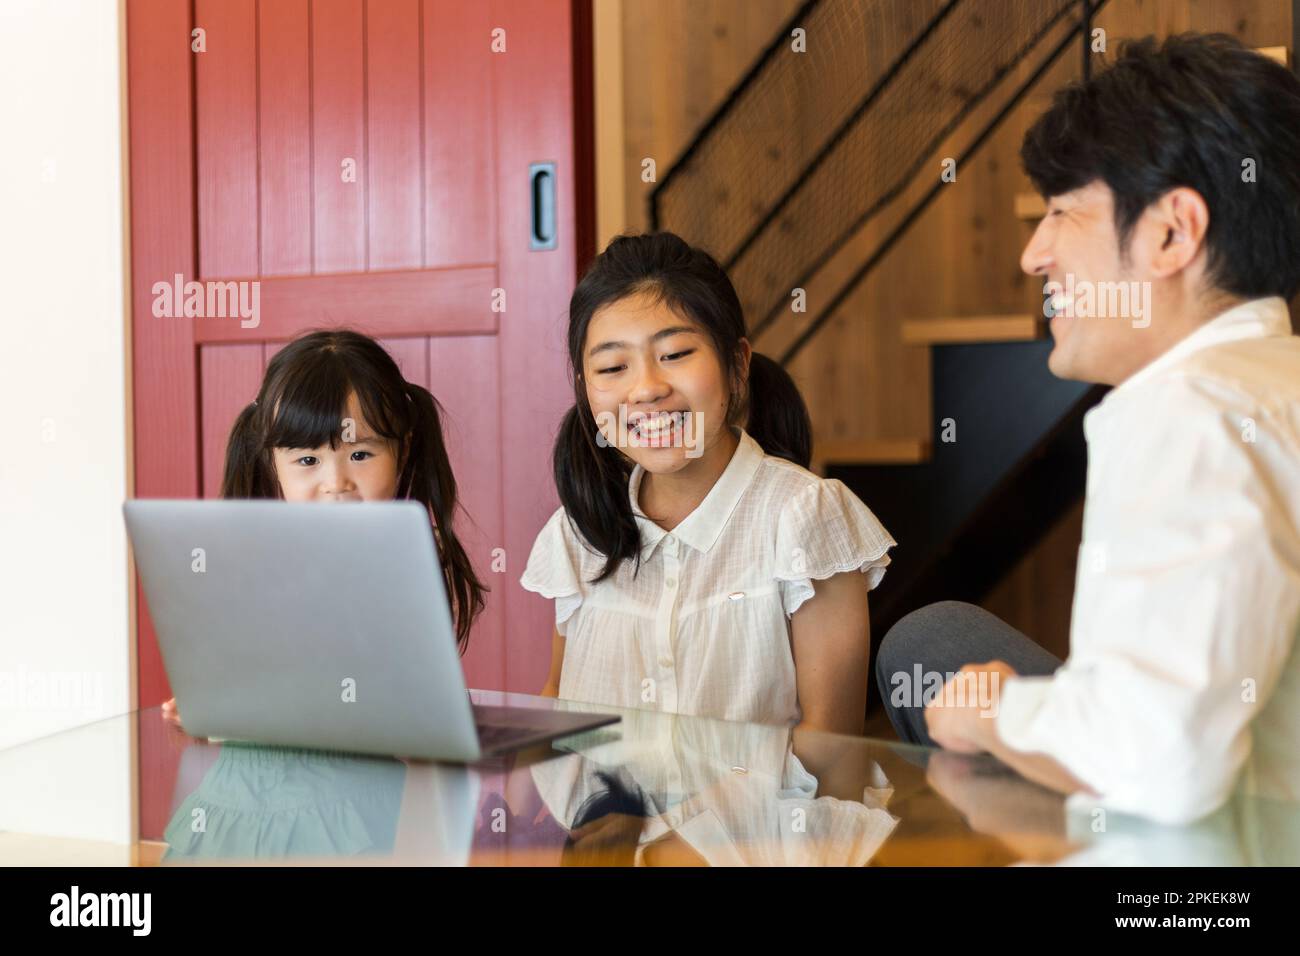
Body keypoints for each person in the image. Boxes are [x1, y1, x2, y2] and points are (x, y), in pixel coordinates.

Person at [877, 34, 1300, 825]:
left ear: (1171, 234)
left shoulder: (1184, 410)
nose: (1033, 254)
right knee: (935, 640)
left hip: (1230, 866)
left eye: (1063, 213)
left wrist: (998, 711)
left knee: (934, 661)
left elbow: (1165, 761)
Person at [521, 232, 896, 734]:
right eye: (612, 366)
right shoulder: (577, 532)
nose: (647, 388)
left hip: (768, 817)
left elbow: (830, 745)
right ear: (586, 390)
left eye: (675, 353)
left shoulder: (806, 517)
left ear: (736, 363)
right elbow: (557, 697)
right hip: (596, 814)